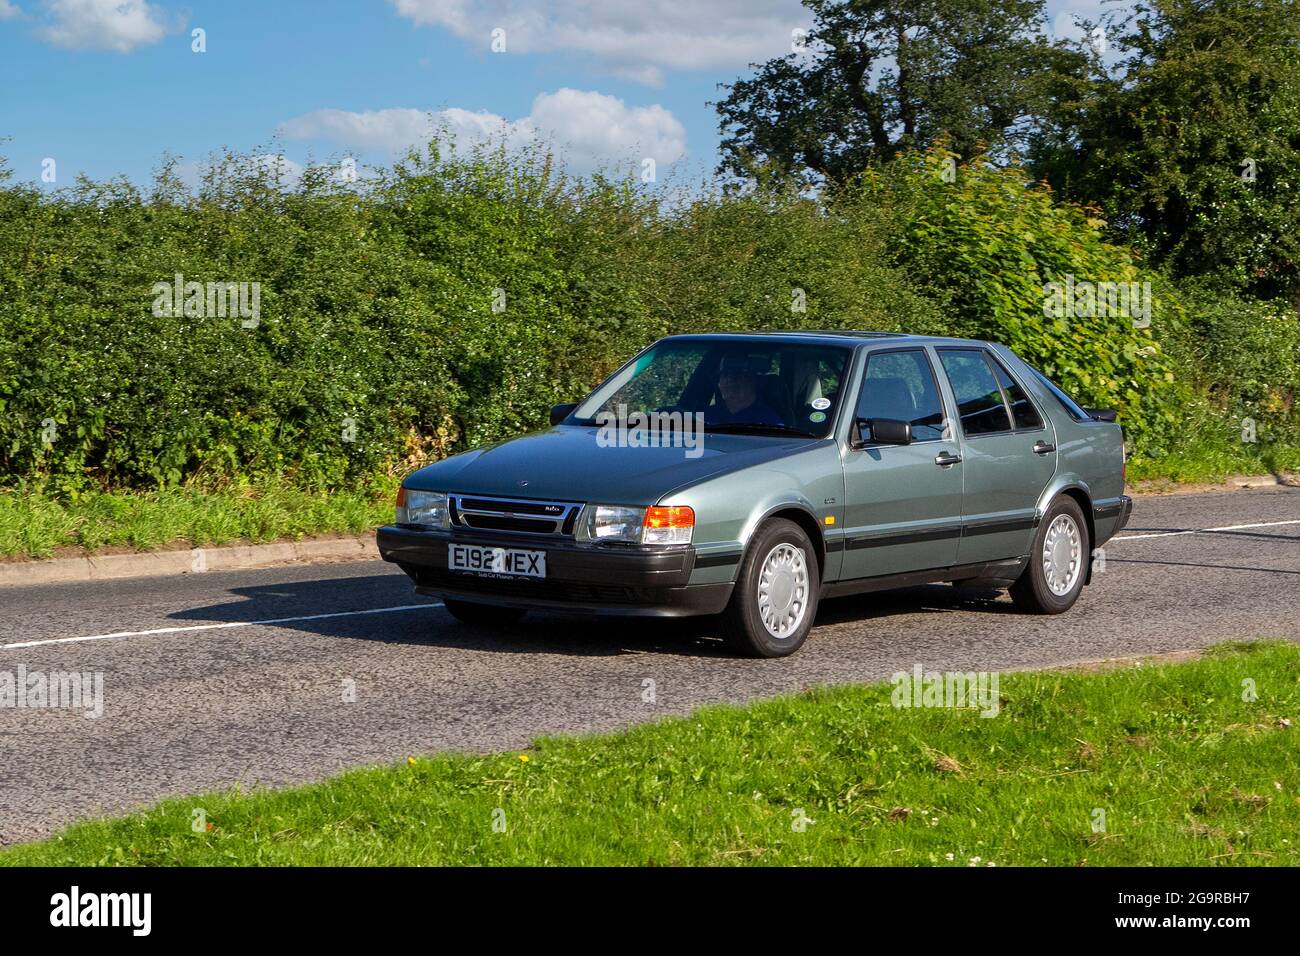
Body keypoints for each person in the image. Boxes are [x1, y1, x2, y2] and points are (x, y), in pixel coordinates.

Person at [704, 355, 784, 426]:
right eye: (724, 376)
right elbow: (694, 440)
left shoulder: (770, 421)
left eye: (736, 376)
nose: (729, 381)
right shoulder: (705, 416)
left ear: (752, 381)